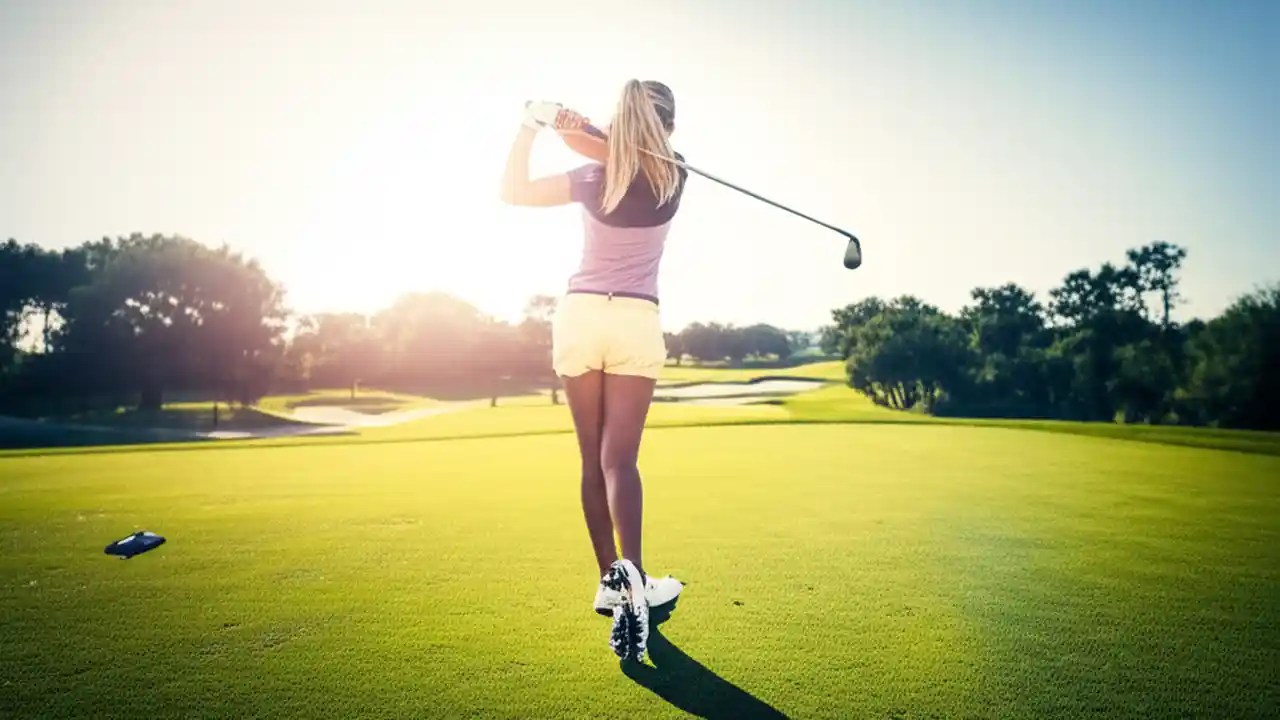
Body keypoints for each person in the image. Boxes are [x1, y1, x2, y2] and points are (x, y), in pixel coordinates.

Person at [500, 80, 686, 661]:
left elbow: (514, 191)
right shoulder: (673, 173)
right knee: (619, 461)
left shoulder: (591, 176)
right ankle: (635, 579)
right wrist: (576, 127)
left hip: (581, 316)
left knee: (589, 460)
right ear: (671, 128)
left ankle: (613, 583)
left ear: (622, 122)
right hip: (635, 320)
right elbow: (618, 147)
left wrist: (538, 123)